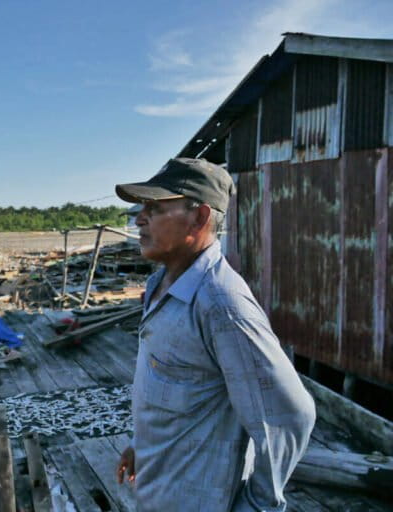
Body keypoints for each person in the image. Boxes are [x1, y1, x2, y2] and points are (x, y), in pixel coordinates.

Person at [114, 158, 316, 511]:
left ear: (200, 217)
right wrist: (141, 446)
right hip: (157, 490)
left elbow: (289, 416)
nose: (139, 219)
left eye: (155, 208)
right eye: (142, 208)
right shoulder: (161, 285)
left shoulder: (221, 304)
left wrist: (257, 504)